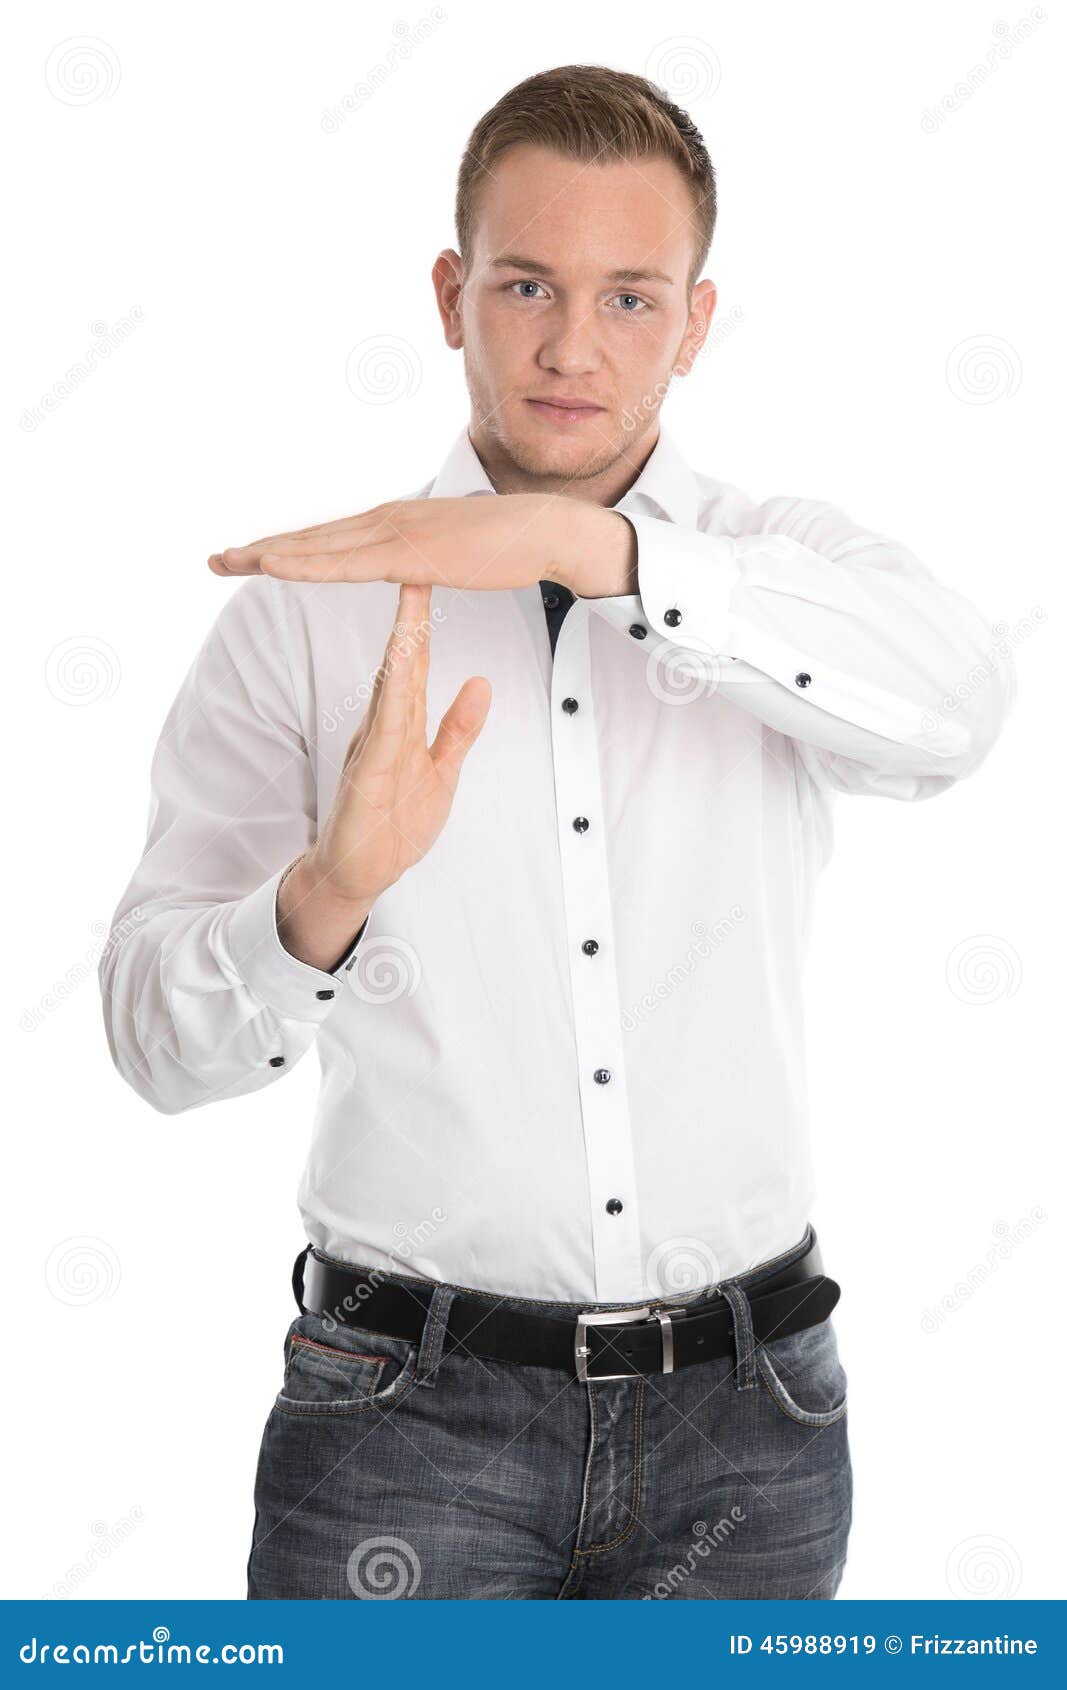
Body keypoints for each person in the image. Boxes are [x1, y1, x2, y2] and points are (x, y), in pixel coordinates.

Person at [98, 65, 1015, 1601]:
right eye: (526, 283)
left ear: (698, 322)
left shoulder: (779, 575)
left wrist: (587, 548)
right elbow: (150, 1042)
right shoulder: (303, 624)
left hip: (755, 1419)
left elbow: (958, 712)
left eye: (631, 298)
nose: (573, 345)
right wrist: (323, 896)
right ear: (454, 293)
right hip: (405, 1417)